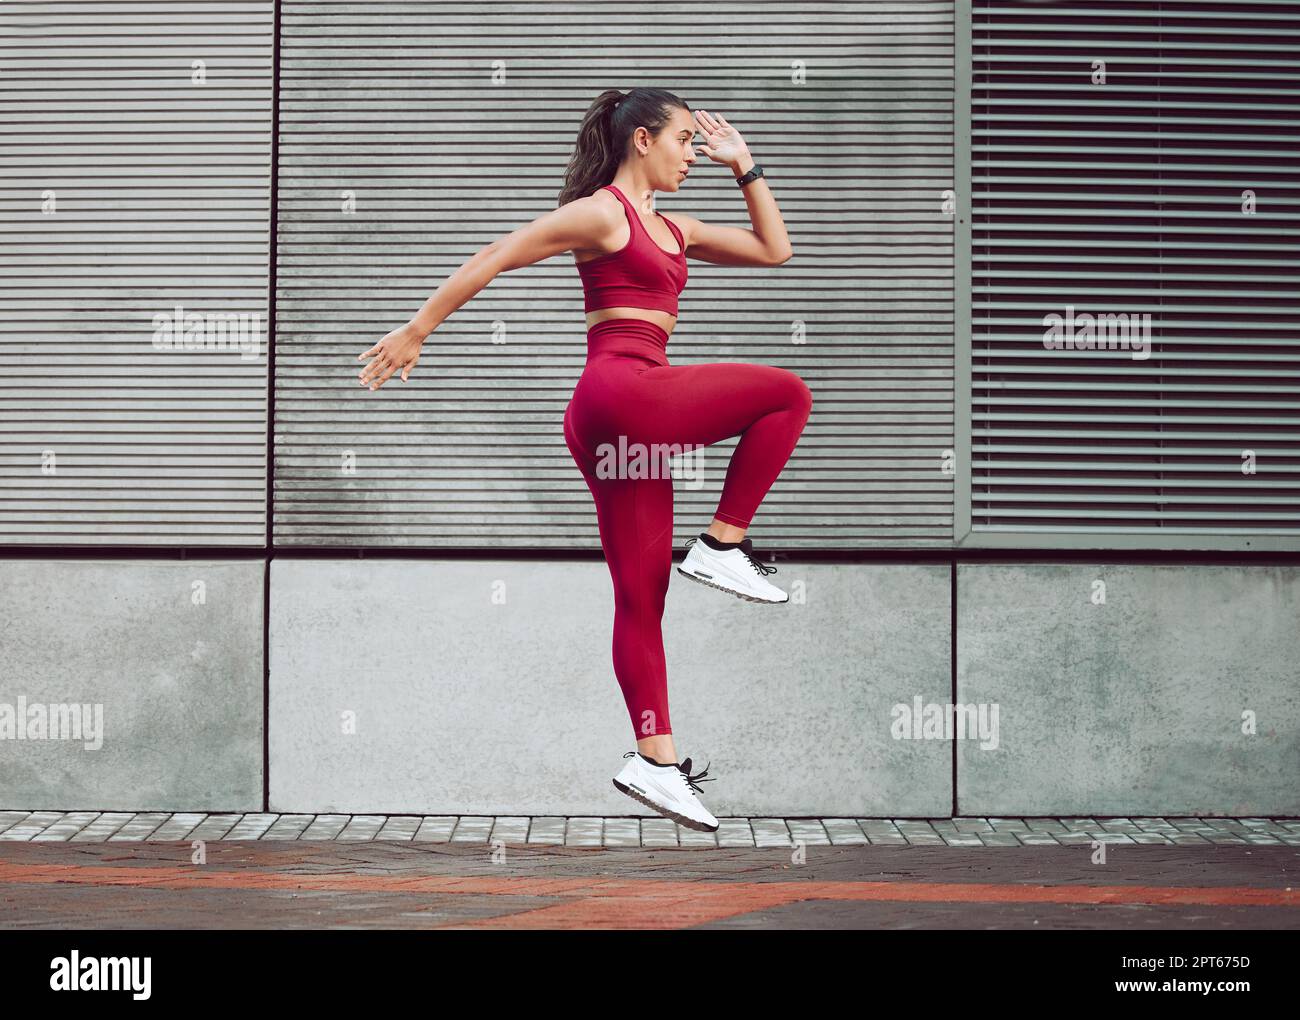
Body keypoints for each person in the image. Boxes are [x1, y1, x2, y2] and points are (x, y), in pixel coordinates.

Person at [357, 88, 812, 833]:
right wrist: (418, 329)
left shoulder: (677, 228)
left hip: (618, 420)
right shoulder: (606, 214)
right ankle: (725, 543)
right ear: (641, 140)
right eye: (687, 142)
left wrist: (747, 166)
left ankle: (655, 761)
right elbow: (502, 252)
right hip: (624, 392)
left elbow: (774, 250)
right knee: (787, 394)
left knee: (643, 595)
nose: (694, 154)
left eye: (700, 144)